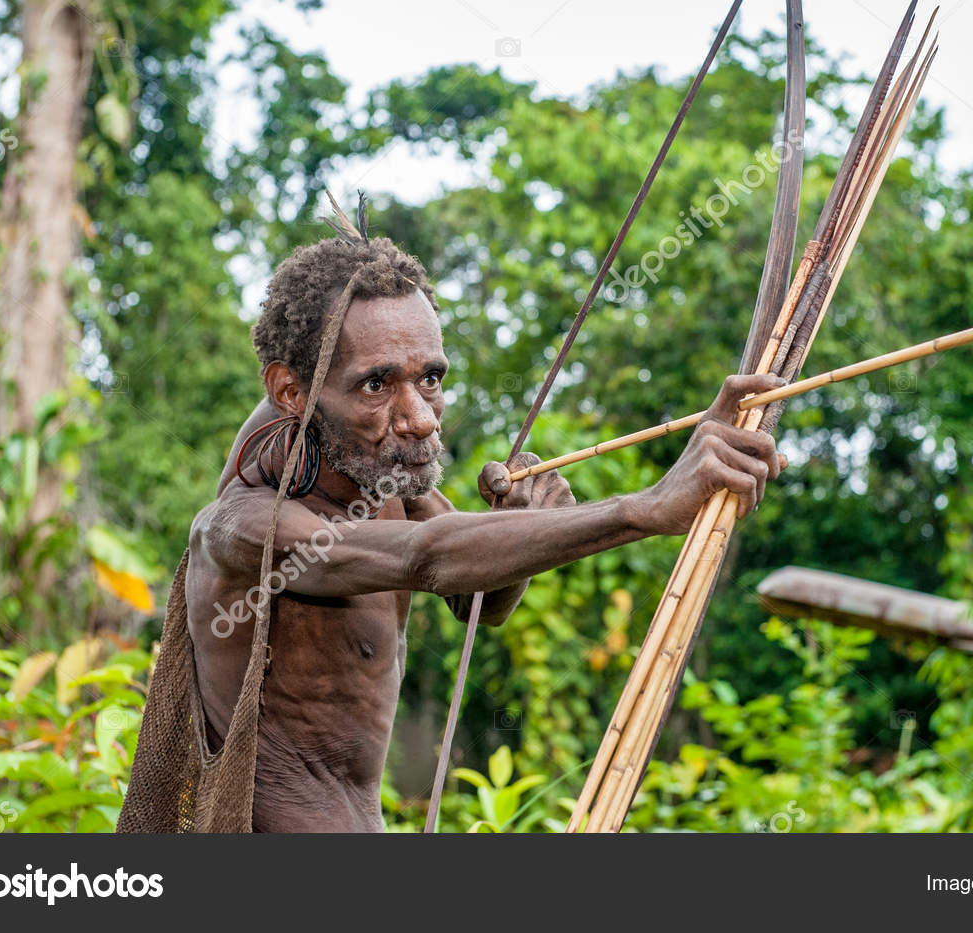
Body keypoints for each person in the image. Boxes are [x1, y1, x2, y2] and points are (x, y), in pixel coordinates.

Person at [131, 234, 784, 832]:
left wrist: (524, 526)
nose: (419, 418)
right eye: (377, 383)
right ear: (291, 391)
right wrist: (645, 507)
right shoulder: (242, 528)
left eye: (431, 379)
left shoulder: (383, 487)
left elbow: (481, 602)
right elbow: (429, 558)